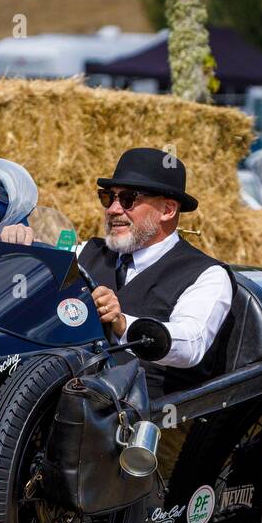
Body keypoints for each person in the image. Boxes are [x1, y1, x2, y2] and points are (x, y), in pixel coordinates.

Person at [77, 147, 234, 401]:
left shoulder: (207, 275)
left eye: (128, 199)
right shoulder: (86, 251)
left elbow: (191, 343)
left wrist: (122, 323)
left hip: (149, 420)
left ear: (168, 210)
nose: (113, 209)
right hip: (64, 395)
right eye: (108, 197)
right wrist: (12, 240)